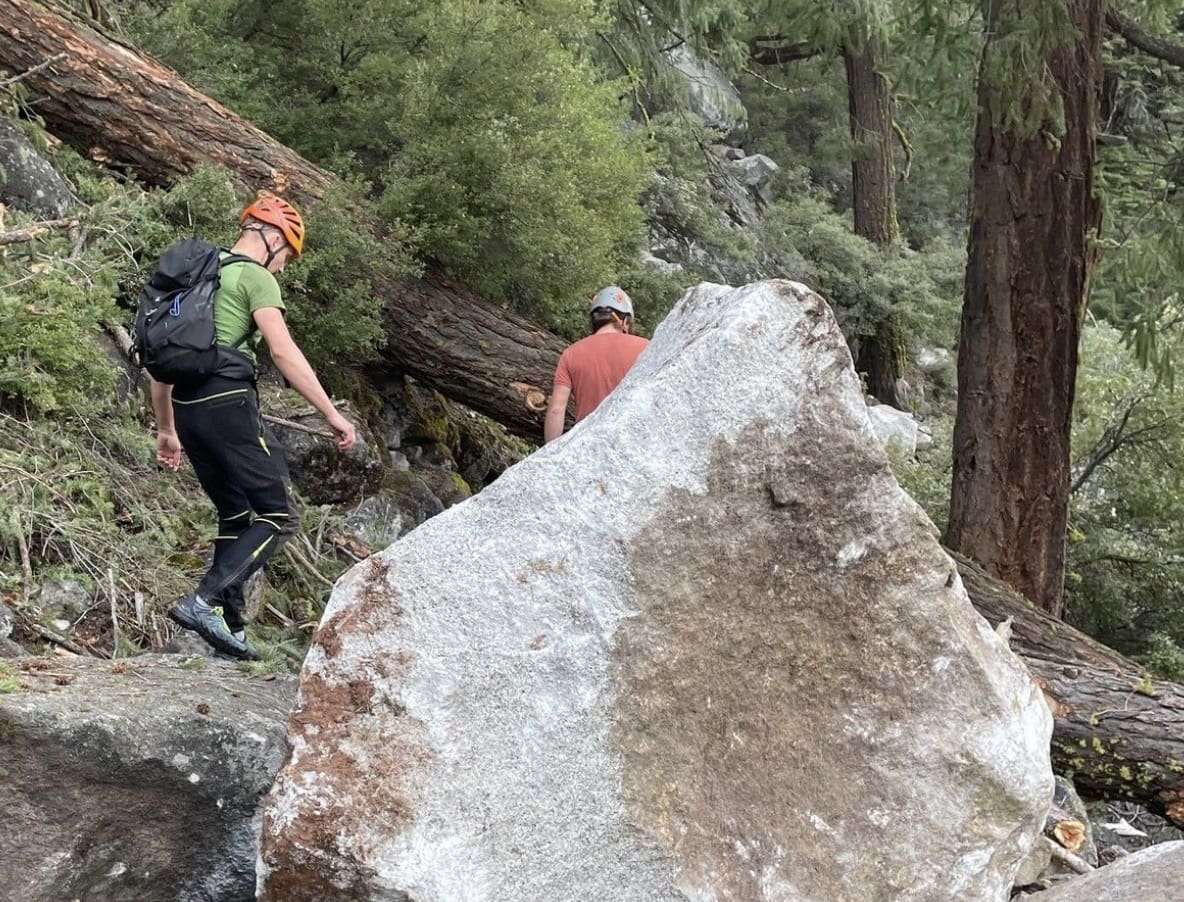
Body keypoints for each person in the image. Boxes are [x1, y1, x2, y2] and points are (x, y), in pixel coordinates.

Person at [150, 192, 356, 660]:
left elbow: (159, 361)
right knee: (279, 515)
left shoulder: (192, 279)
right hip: (227, 402)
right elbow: (283, 353)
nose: (283, 267)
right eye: (286, 256)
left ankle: (233, 629)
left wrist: (166, 429)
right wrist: (331, 413)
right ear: (272, 238)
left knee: (236, 513)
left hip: (186, 409)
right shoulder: (254, 277)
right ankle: (204, 601)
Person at [544, 285, 649, 443]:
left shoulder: (571, 353)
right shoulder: (646, 348)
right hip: (634, 442)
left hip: (588, 446)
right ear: (625, 320)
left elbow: (556, 410)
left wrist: (550, 456)